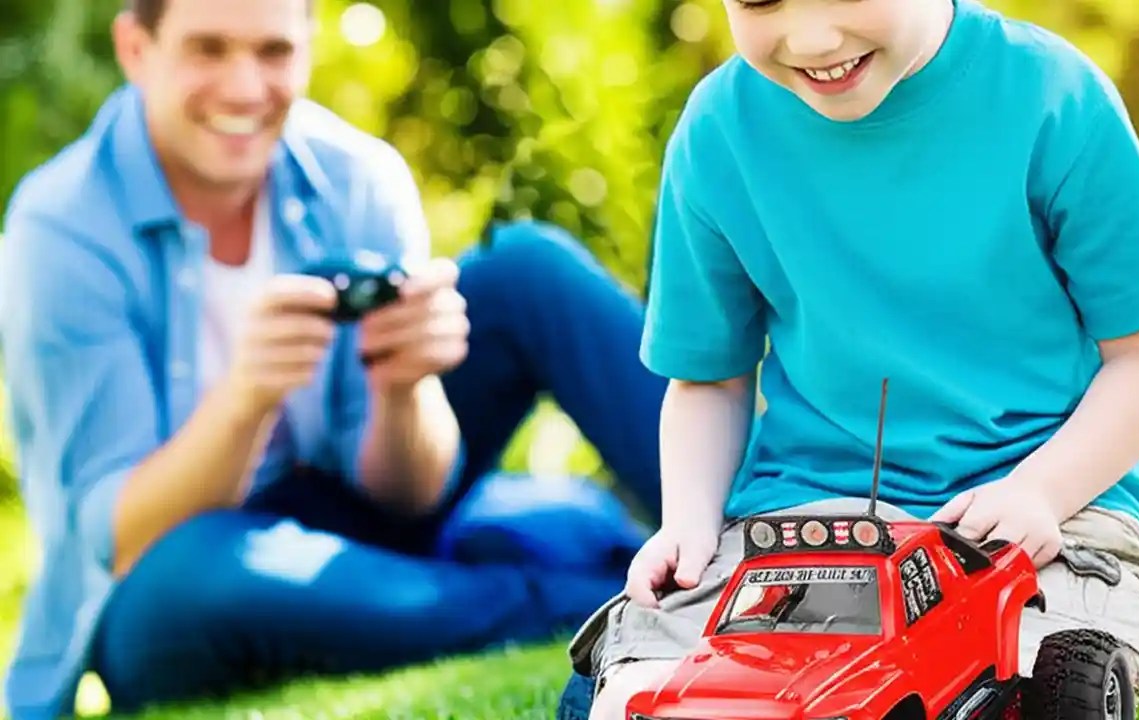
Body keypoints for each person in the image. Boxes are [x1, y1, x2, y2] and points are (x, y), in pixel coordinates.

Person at [0, 0, 668, 717]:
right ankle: (609, 603)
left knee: (527, 272)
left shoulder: (355, 177)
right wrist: (247, 398)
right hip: (177, 574)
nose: (245, 88)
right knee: (200, 577)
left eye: (274, 52)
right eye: (209, 50)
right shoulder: (62, 230)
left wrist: (404, 389)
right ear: (136, 48)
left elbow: (402, 497)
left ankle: (751, 538)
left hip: (352, 523)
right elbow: (120, 538)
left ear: (308, 46)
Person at [559, 0, 1139, 718]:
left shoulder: (1052, 94)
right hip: (808, 517)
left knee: (1039, 678)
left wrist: (1041, 490)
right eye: (759, 1)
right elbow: (709, 380)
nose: (811, 37)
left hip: (1050, 509)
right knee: (638, 679)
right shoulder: (718, 130)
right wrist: (688, 521)